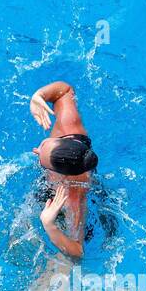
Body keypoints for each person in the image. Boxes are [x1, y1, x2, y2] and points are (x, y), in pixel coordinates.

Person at [29, 81, 98, 259]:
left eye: (41, 158)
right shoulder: (69, 125)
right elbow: (65, 90)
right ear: (63, 140)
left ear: (59, 173)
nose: (36, 150)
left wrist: (49, 224)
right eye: (45, 144)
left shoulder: (74, 197)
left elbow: (78, 252)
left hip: (58, 203)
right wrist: (38, 95)